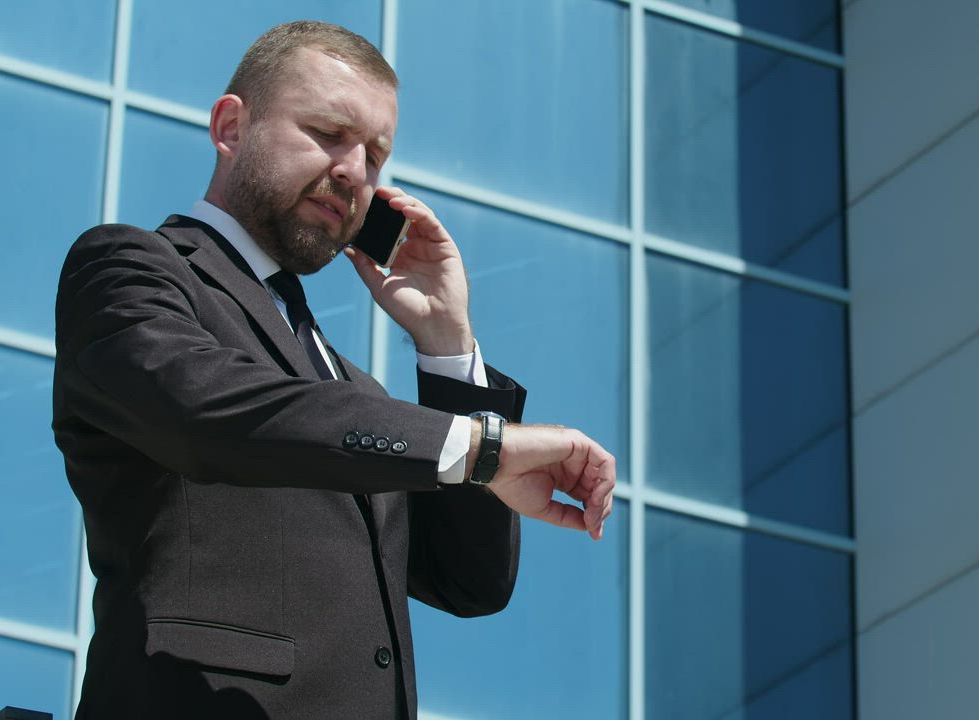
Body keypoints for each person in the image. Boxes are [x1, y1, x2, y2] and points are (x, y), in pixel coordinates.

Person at [52, 20, 615, 720]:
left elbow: (469, 582)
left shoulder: (354, 392)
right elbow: (203, 410)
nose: (355, 171)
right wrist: (480, 446)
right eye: (327, 132)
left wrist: (445, 342)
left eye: (376, 155)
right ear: (231, 126)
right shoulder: (131, 269)